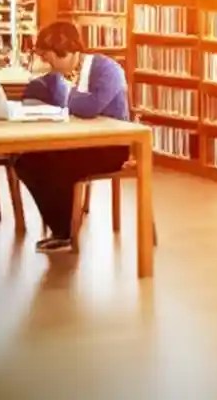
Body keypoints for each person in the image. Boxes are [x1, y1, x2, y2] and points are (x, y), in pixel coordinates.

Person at [13, 22, 131, 253]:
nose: (49, 64)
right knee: (26, 162)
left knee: (60, 166)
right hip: (78, 142)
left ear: (64, 51)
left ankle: (65, 232)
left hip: (110, 146)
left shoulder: (107, 68)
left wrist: (63, 88)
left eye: (50, 57)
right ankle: (61, 228)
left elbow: (90, 106)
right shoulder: (61, 76)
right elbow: (34, 93)